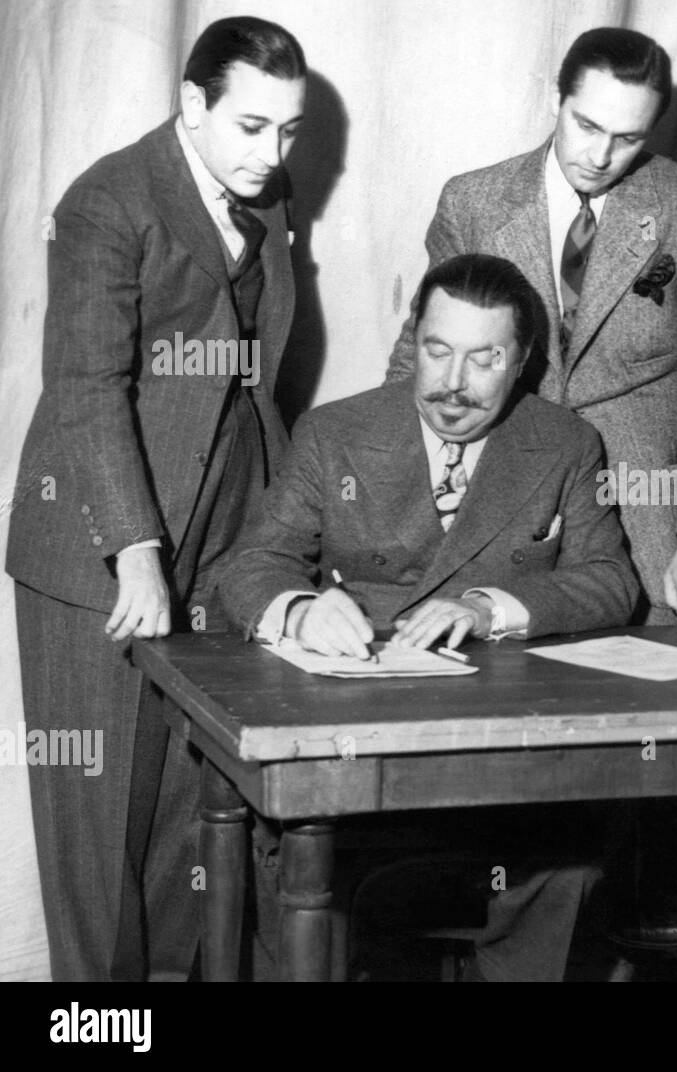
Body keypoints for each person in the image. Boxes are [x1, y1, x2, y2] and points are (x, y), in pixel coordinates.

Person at [220, 253, 638, 980]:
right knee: (304, 867)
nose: (453, 382)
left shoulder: (566, 442)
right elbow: (253, 564)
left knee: (568, 858)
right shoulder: (334, 432)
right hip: (355, 755)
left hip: (500, 758)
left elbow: (611, 582)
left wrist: (487, 607)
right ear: (413, 340)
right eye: (437, 350)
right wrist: (300, 608)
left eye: (485, 359)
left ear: (522, 361)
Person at [6, 16, 307, 981]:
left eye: (289, 130)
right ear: (192, 104)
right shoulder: (107, 201)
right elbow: (86, 385)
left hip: (223, 532)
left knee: (195, 814)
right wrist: (135, 547)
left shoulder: (270, 196)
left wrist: (285, 532)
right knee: (99, 830)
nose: (272, 153)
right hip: (98, 546)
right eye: (252, 126)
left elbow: (256, 378)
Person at [384, 27, 677, 634]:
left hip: (643, 503)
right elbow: (418, 356)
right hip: (496, 490)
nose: (600, 155)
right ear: (555, 101)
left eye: (628, 138)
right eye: (586, 125)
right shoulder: (473, 203)